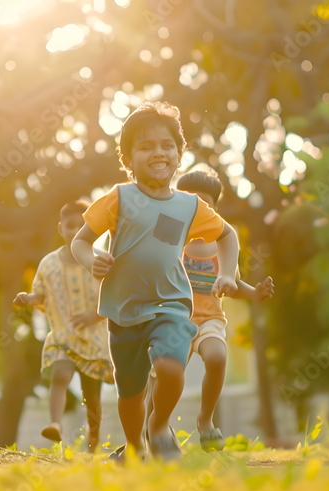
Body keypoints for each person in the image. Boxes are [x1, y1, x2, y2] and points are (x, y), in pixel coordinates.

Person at [71, 101, 239, 461]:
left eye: (167, 145)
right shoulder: (119, 198)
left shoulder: (190, 205)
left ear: (179, 154)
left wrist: (226, 272)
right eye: (145, 146)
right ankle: (134, 447)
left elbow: (228, 236)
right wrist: (91, 261)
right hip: (124, 310)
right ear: (128, 159)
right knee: (129, 391)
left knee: (169, 365)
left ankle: (159, 424)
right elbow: (80, 241)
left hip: (172, 303)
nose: (158, 153)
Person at [175, 167, 274, 450]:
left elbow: (234, 284)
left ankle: (205, 420)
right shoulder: (172, 243)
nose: (197, 209)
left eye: (205, 203)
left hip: (209, 320)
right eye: (190, 201)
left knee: (217, 358)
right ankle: (153, 427)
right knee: (164, 375)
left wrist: (255, 294)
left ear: (214, 210)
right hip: (174, 321)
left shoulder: (223, 247)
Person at [13, 200, 113, 453]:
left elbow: (115, 297)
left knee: (93, 397)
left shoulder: (102, 262)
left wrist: (94, 315)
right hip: (63, 337)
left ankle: (94, 439)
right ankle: (55, 423)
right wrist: (28, 298)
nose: (77, 231)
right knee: (59, 375)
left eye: (84, 226)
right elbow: (42, 295)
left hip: (95, 341)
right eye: (71, 226)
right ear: (61, 229)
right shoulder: (49, 264)